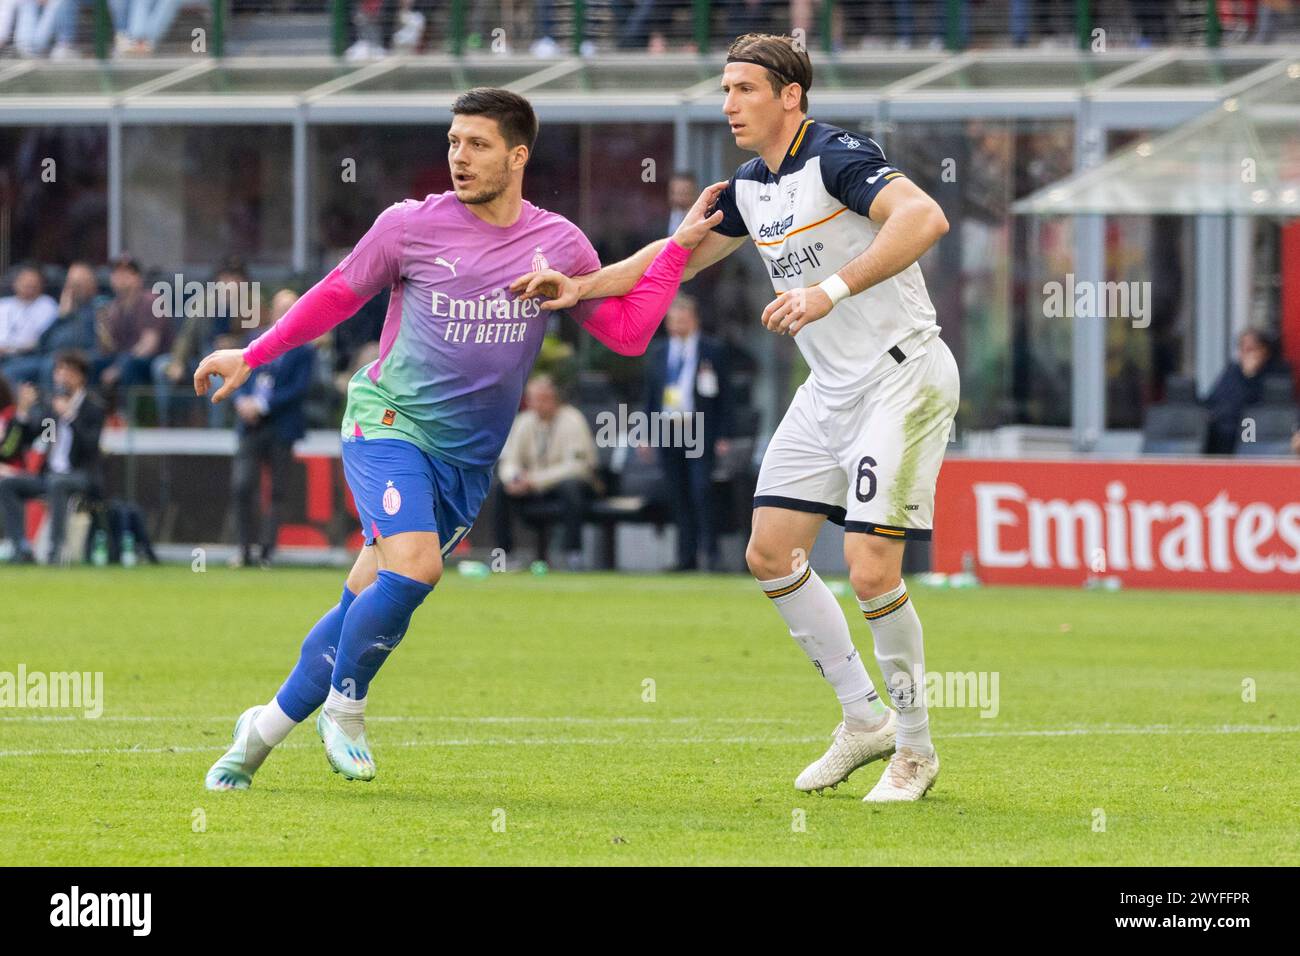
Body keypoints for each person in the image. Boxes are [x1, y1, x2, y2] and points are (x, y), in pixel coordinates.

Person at [193, 87, 727, 791]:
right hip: (387, 421)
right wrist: (252, 354)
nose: (458, 157)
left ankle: (258, 734)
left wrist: (677, 250)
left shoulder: (560, 243)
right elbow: (334, 295)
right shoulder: (407, 226)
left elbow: (626, 333)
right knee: (414, 569)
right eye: (452, 142)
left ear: (518, 155)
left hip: (466, 462)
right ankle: (346, 711)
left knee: (364, 600)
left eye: (476, 144)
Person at [511, 33, 958, 802]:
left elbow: (924, 218)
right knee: (769, 552)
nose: (728, 105)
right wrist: (580, 287)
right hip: (828, 388)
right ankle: (863, 721)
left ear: (791, 95)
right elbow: (676, 254)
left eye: (744, 89)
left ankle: (914, 749)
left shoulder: (837, 158)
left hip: (903, 377)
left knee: (870, 568)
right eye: (724, 90)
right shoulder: (750, 186)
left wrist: (828, 292)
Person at [643, 292, 731, 571]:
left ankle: (712, 555)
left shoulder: (711, 350)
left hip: (699, 429)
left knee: (701, 490)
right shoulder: (658, 352)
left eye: (682, 318)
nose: (677, 324)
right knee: (677, 495)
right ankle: (685, 557)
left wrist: (723, 435)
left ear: (694, 320)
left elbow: (725, 397)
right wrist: (645, 434)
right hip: (668, 428)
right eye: (672, 319)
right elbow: (650, 396)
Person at [229, 290, 315, 569]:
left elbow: (298, 389)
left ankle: (266, 552)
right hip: (250, 426)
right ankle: (244, 550)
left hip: (281, 426)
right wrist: (241, 401)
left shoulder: (304, 348)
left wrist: (263, 406)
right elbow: (237, 374)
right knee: (243, 486)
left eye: (290, 308)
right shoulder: (253, 340)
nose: (284, 313)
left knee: (277, 491)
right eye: (281, 307)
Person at [0, 350, 106, 564]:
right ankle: (20, 548)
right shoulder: (51, 408)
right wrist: (22, 412)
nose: (62, 376)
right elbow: (29, 437)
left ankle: (55, 551)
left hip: (81, 476)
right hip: (50, 475)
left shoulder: (93, 407)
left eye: (67, 371)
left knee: (58, 483)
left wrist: (70, 416)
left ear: (80, 376)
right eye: (59, 371)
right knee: (8, 485)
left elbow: (89, 445)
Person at [494, 373, 598, 570]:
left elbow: (576, 467)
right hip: (533, 488)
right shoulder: (524, 421)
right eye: (534, 399)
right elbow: (509, 461)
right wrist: (515, 479)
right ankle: (504, 556)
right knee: (502, 490)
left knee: (570, 488)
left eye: (544, 399)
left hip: (569, 487)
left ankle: (572, 556)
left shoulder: (572, 420)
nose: (538, 404)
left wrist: (535, 480)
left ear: (555, 399)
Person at [97, 253, 171, 407]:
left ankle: (128, 418)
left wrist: (118, 367)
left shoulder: (152, 301)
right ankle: (98, 416)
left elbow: (148, 346)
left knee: (129, 365)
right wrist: (102, 328)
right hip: (124, 358)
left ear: (139, 277)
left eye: (127, 272)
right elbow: (108, 349)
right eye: (117, 273)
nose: (121, 277)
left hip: (151, 360)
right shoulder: (113, 307)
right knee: (94, 364)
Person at [1204, 329, 1293, 454]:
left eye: (1251, 349)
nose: (1245, 354)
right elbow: (1213, 399)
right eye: (1242, 349)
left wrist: (1250, 376)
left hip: (1254, 430)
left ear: (1264, 351)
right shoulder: (1233, 371)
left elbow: (1258, 403)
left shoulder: (1277, 372)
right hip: (1225, 431)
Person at [0, 265, 60, 383]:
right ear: (15, 283)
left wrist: (10, 349)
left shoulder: (47, 305)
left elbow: (40, 342)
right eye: (25, 282)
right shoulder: (3, 304)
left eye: (33, 282)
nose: (29, 286)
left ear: (41, 285)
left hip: (27, 357)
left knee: (8, 373)